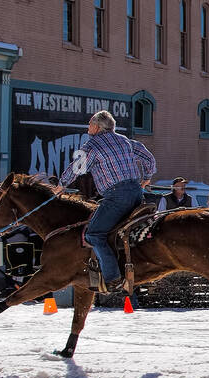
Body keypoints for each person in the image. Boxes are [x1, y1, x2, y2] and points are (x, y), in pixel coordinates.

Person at [52, 110, 157, 291]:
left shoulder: (92, 146)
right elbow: (148, 157)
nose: (88, 127)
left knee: (94, 234)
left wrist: (61, 185)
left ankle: (112, 277)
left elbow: (76, 168)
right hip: (137, 194)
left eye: (90, 124)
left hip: (117, 196)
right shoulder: (125, 140)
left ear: (97, 126)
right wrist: (147, 177)